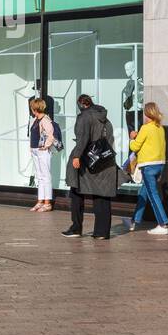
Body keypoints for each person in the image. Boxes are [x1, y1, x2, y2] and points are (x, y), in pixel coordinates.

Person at [63, 94, 119, 240]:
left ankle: (76, 227)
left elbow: (83, 138)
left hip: (87, 160)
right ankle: (101, 232)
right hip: (105, 160)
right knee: (102, 195)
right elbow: (110, 138)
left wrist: (76, 156)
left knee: (76, 192)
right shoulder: (105, 117)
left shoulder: (84, 117)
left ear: (81, 104)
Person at [128, 101, 168, 234]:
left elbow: (134, 147)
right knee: (144, 192)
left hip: (148, 165)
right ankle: (134, 220)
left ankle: (163, 224)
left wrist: (132, 138)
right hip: (160, 164)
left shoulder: (145, 128)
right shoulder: (160, 128)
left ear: (147, 114)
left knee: (152, 195)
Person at [27, 96, 57, 212]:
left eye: (32, 108)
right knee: (39, 176)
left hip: (42, 151)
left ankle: (47, 202)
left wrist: (46, 146)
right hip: (35, 150)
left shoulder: (45, 119)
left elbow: (51, 134)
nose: (31, 110)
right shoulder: (35, 120)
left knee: (46, 176)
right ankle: (40, 201)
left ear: (35, 108)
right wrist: (31, 148)